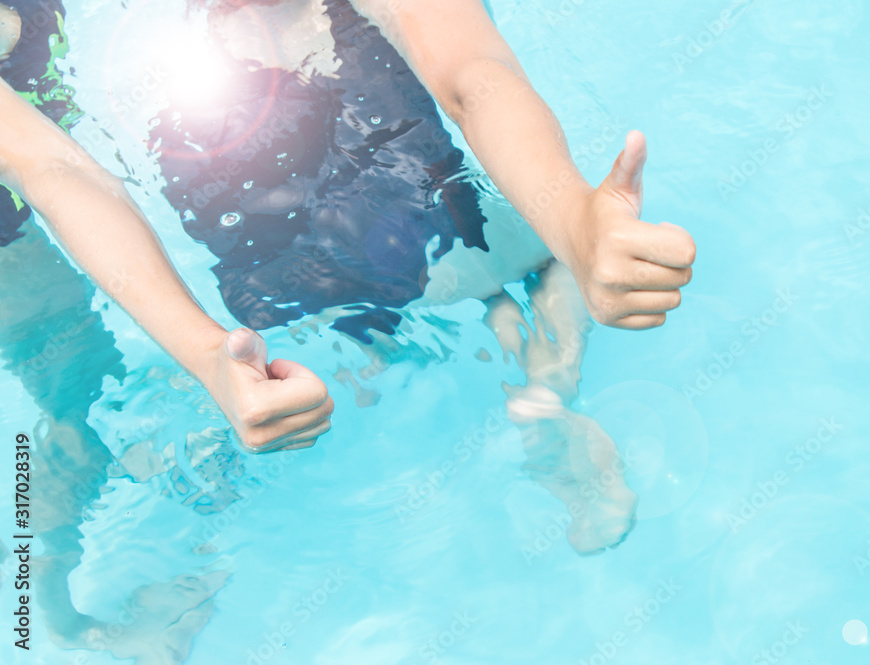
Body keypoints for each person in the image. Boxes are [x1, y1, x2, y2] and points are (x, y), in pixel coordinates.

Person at [1, 0, 696, 552]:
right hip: (290, 176)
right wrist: (209, 357)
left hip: (264, 203)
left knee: (461, 260)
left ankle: (514, 363)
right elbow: (54, 170)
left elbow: (472, 75)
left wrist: (575, 220)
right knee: (499, 254)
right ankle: (541, 369)